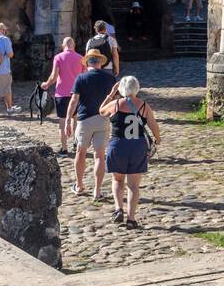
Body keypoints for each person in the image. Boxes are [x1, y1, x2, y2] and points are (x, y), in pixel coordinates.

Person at [100, 75, 161, 228]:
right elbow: (153, 126)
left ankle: (118, 208)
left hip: (118, 145)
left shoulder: (115, 104)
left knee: (117, 180)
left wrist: (110, 94)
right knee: (133, 185)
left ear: (121, 88)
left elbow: (101, 111)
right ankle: (131, 218)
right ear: (136, 87)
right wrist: (157, 139)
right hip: (137, 146)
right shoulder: (143, 106)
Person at [66, 49, 116, 199]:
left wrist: (68, 119)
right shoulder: (109, 78)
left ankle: (80, 185)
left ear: (88, 62)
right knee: (100, 156)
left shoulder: (81, 78)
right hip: (103, 119)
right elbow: (115, 100)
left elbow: (74, 100)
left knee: (80, 153)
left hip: (84, 120)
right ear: (100, 62)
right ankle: (97, 191)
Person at [40, 37, 84, 155]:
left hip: (62, 94)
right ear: (73, 45)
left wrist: (46, 84)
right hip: (77, 94)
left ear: (63, 45)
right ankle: (76, 144)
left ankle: (64, 149)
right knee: (76, 120)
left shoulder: (58, 57)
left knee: (63, 122)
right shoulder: (81, 58)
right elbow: (84, 77)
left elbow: (54, 76)